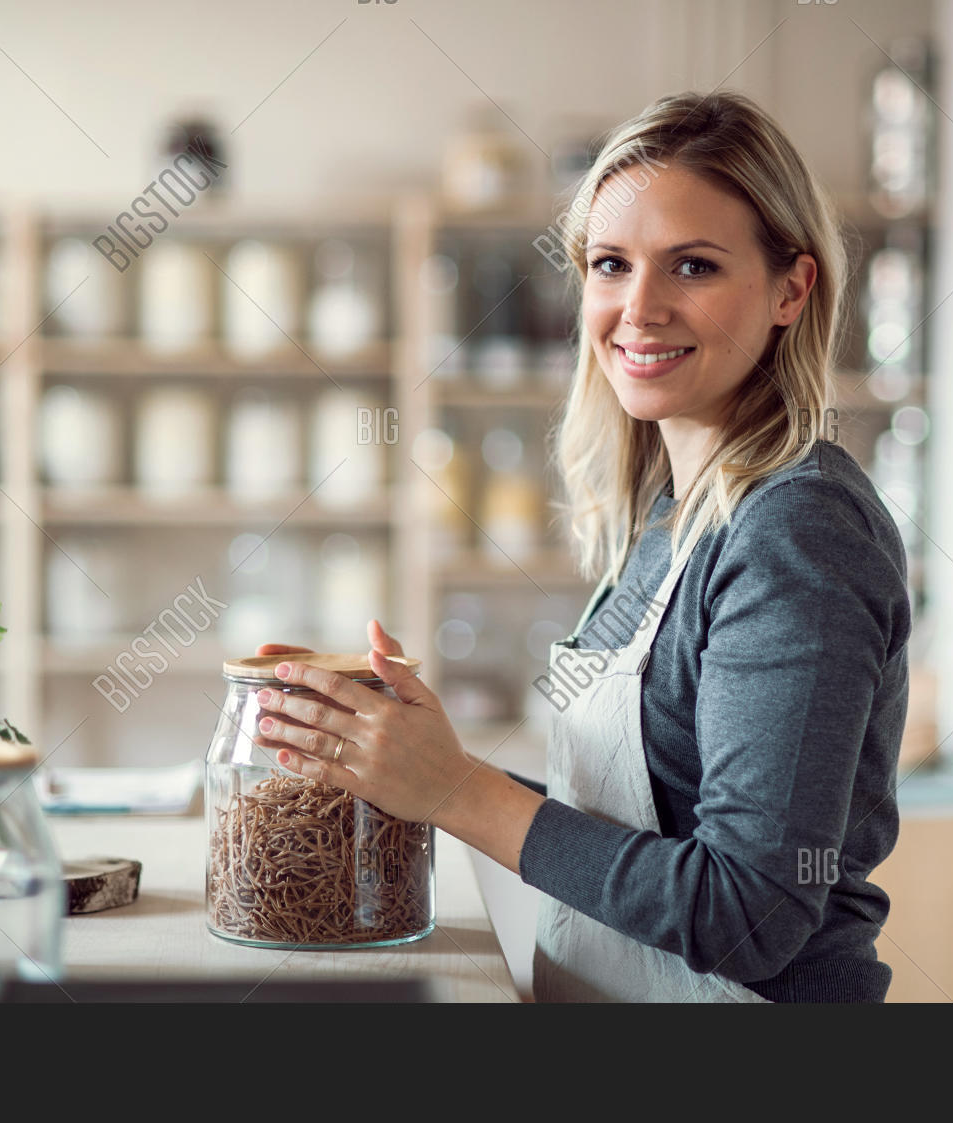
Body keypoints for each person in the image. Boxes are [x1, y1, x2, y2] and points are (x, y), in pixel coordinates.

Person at [253, 89, 910, 1003]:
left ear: (791, 289)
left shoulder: (798, 530)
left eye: (692, 266)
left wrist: (455, 791)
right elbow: (645, 821)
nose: (638, 309)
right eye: (611, 264)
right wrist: (410, 754)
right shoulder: (674, 513)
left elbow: (752, 914)